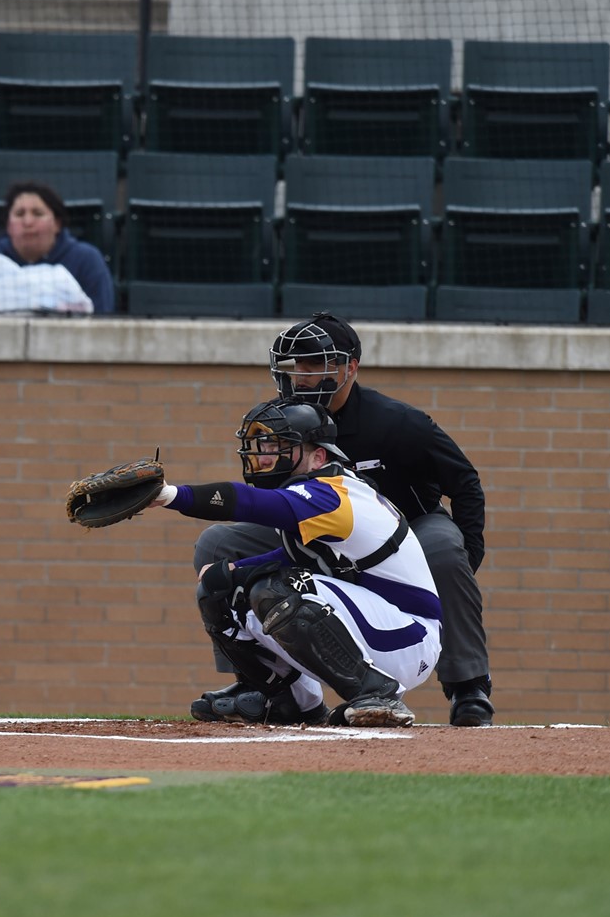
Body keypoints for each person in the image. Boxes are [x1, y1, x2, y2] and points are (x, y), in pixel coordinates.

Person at [195, 311, 494, 726]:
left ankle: (468, 685)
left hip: (405, 528)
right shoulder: (282, 417)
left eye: (315, 364)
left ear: (350, 367)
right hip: (314, 530)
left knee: (443, 548)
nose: (302, 376)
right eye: (295, 365)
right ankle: (262, 684)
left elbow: (464, 482)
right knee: (217, 544)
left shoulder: (397, 421)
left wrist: (468, 561)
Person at [159, 396, 442, 727]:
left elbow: (248, 503)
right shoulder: (314, 494)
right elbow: (297, 558)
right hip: (379, 626)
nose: (264, 455)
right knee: (220, 587)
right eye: (262, 445)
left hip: (411, 638)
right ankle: (287, 700)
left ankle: (378, 692)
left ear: (318, 456)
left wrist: (170, 496)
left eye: (278, 445)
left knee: (281, 589)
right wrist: (230, 574)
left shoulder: (333, 493)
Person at [0, 181, 114, 314]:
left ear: (57, 223)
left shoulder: (87, 260)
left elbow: (103, 319)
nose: (28, 222)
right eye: (19, 214)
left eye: (38, 214)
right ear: (8, 225)